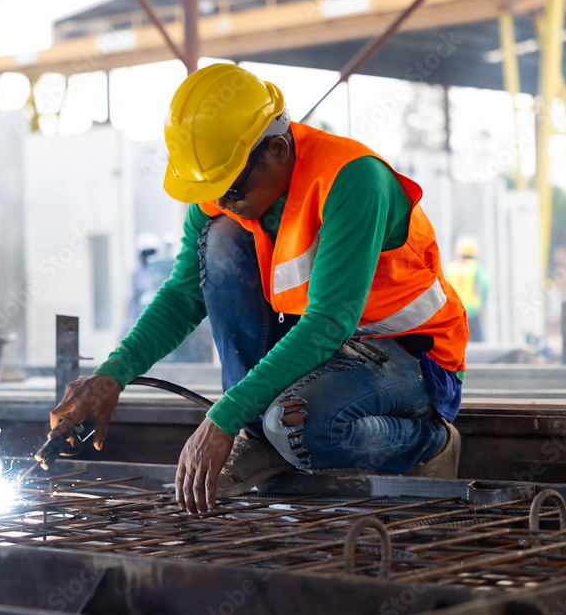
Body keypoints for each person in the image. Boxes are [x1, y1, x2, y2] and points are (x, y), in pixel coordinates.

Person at [49, 64, 469, 514]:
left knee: (297, 428)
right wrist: (113, 375)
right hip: (327, 350)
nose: (222, 200)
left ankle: (430, 444)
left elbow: (328, 323)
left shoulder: (352, 181)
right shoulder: (223, 200)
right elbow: (183, 296)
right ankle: (257, 435)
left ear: (276, 150)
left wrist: (221, 417)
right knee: (222, 236)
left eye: (231, 188)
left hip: (412, 357)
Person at [445, 236, 489, 342]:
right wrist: (482, 304)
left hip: (455, 310)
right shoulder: (476, 266)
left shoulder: (450, 267)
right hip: (472, 310)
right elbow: (486, 284)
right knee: (477, 344)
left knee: (458, 342)